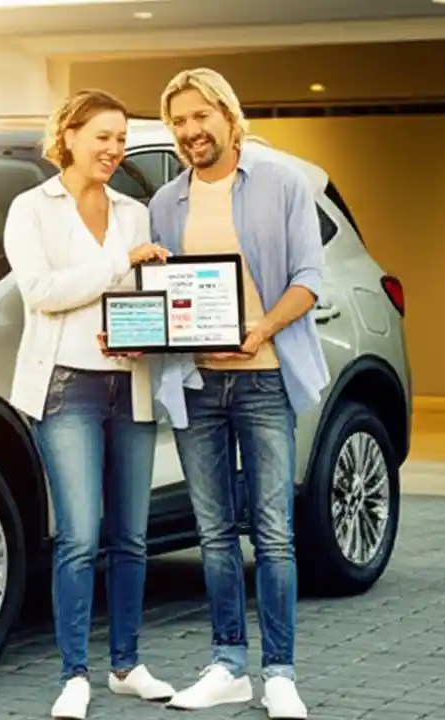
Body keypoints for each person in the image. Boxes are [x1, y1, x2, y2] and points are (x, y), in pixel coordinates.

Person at [146, 68, 330, 720]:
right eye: (179, 122)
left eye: (201, 116)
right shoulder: (165, 203)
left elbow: (310, 277)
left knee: (274, 533)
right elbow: (165, 299)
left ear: (227, 115)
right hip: (196, 383)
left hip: (264, 378)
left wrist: (263, 329)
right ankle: (227, 664)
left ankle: (279, 672)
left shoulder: (282, 184)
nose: (191, 131)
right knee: (215, 532)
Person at [3, 88, 175, 720]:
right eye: (102, 135)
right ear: (68, 135)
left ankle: (127, 665)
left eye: (122, 139)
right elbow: (43, 292)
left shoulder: (133, 211)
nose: (113, 149)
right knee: (80, 536)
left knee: (131, 535)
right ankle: (74, 674)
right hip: (65, 387)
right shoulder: (31, 210)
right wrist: (117, 263)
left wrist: (138, 333)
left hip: (126, 382)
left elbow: (140, 295)